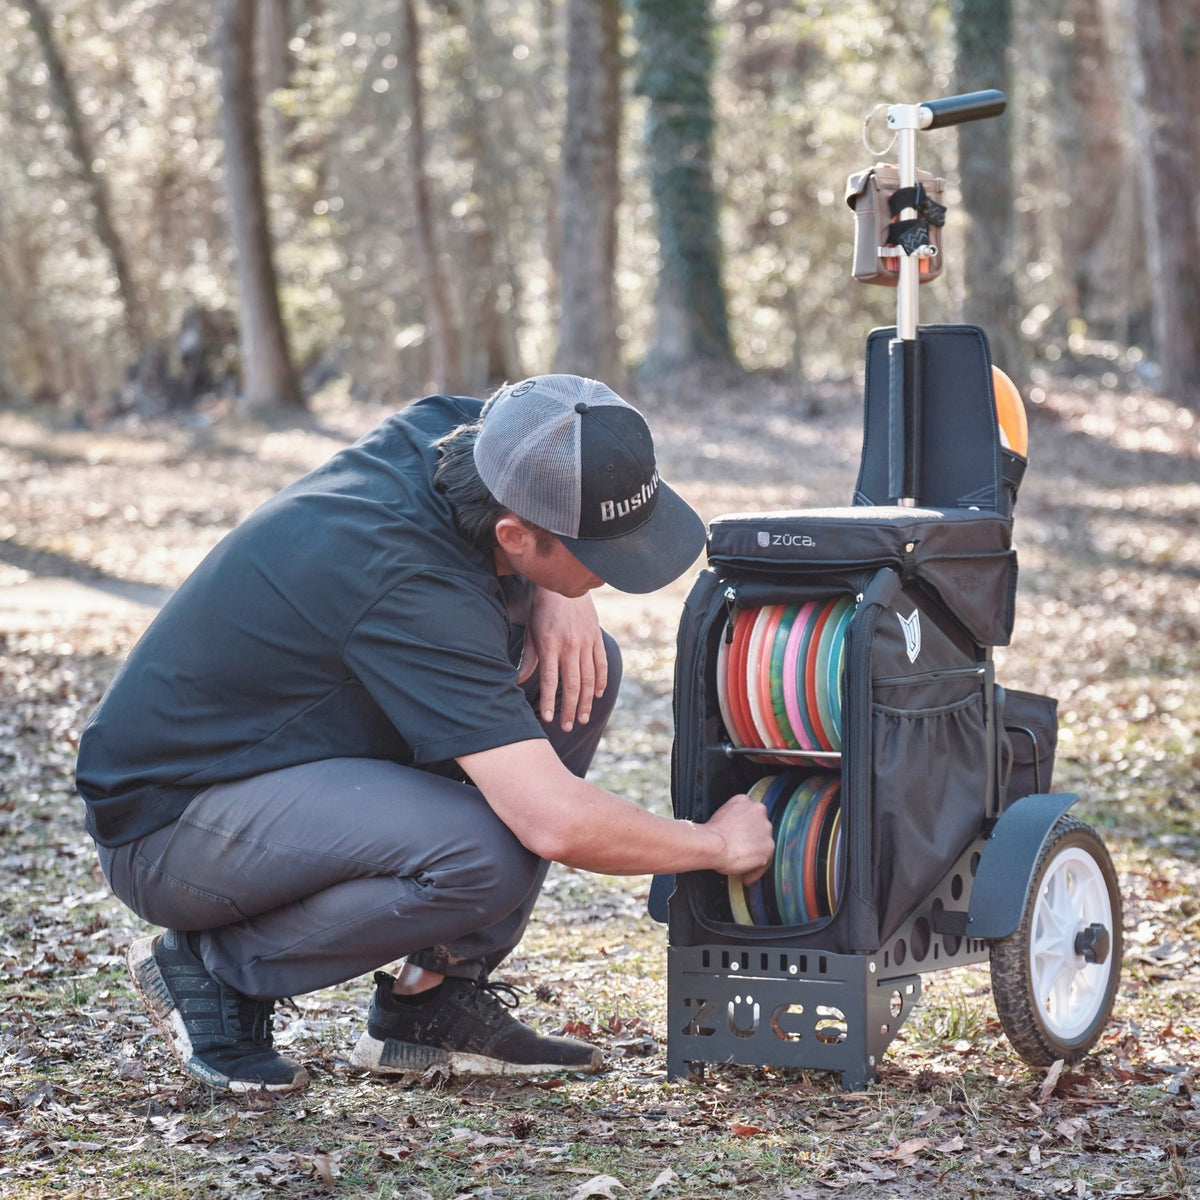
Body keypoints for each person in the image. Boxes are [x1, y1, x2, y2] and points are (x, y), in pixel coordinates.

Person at [75, 374, 775, 1093]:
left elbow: (526, 435)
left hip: (292, 756)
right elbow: (555, 824)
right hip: (172, 823)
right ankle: (213, 972)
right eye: (600, 556)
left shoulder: (481, 435)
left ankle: (431, 1002)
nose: (608, 574)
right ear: (515, 534)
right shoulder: (410, 583)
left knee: (580, 671)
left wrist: (556, 591)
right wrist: (714, 847)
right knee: (486, 852)